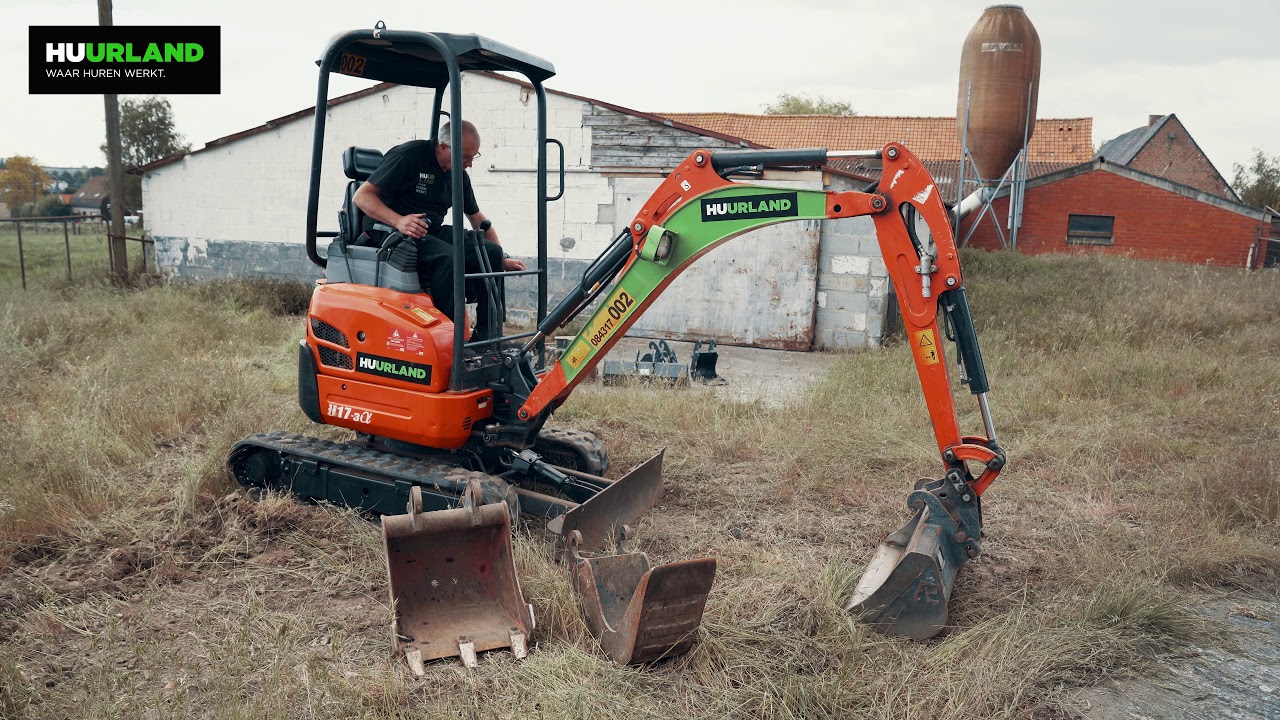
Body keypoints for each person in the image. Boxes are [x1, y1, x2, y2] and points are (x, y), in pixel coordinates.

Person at [353, 120, 525, 340]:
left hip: (427, 233)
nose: (470, 163)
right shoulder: (408, 156)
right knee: (449, 258)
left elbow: (477, 219)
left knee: (490, 252)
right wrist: (399, 221)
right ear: (444, 147)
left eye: (474, 156)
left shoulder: (458, 174)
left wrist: (503, 257)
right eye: (465, 157)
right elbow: (362, 196)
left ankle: (487, 339)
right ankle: (452, 340)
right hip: (389, 233)